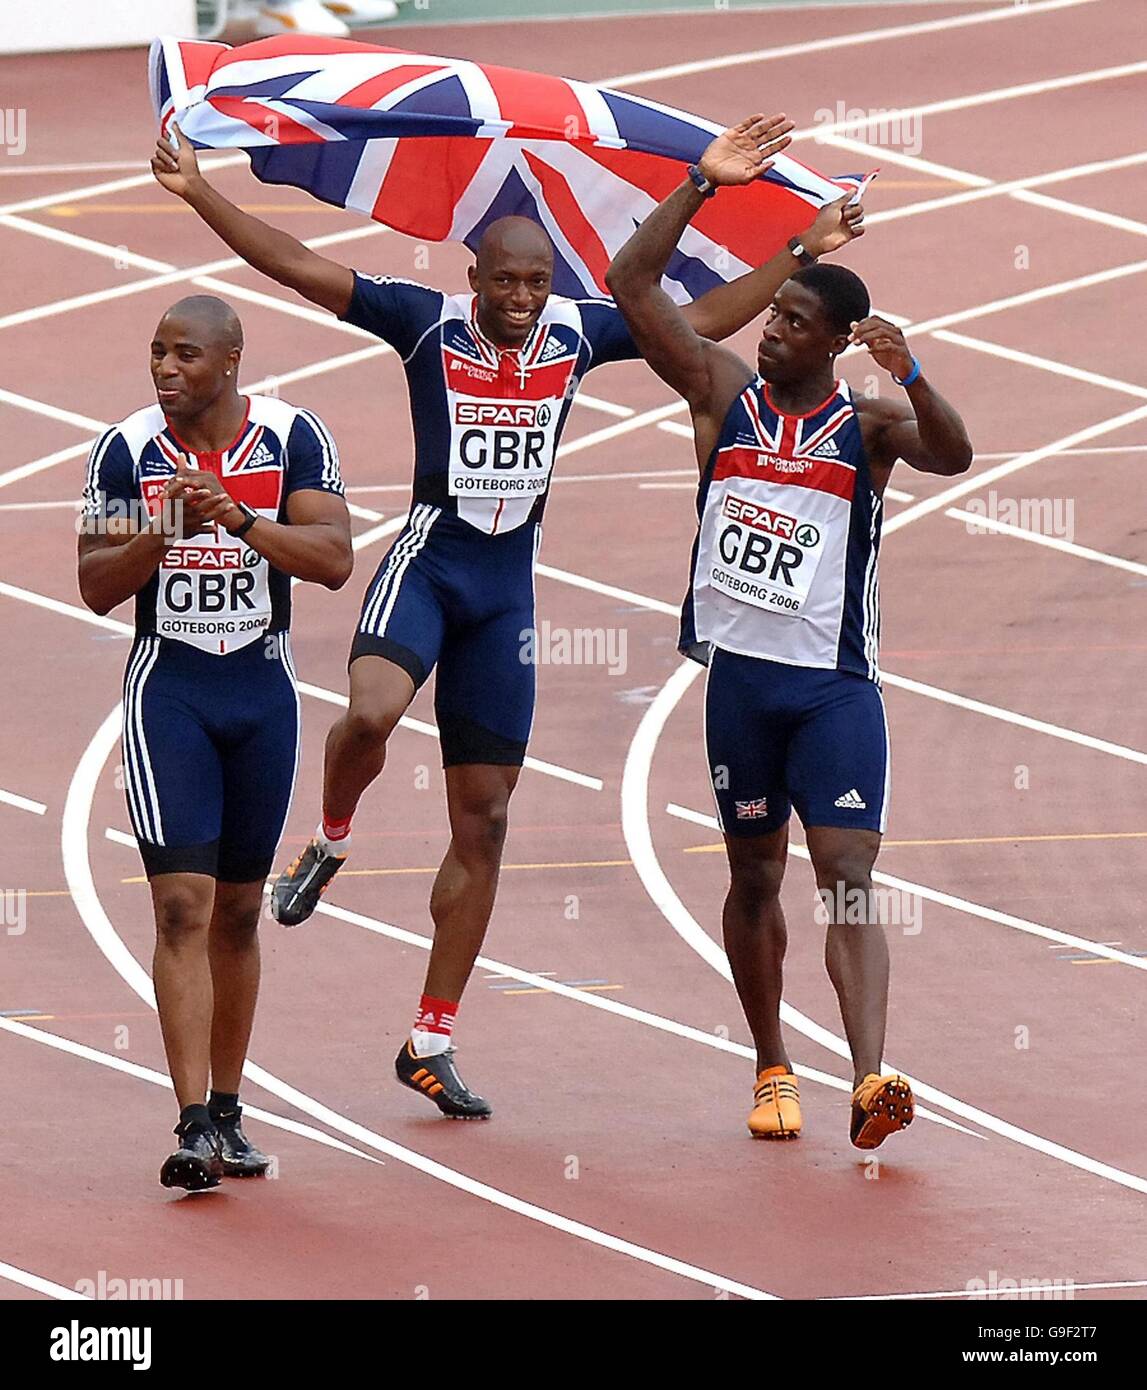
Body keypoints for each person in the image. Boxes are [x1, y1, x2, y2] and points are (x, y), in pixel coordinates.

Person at [150, 115, 863, 1120]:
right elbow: (302, 268)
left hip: (505, 593)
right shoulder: (422, 321)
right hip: (430, 563)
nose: (522, 300)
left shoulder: (577, 330)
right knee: (368, 714)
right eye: (504, 283)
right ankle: (333, 833)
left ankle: (430, 1039)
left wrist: (800, 247)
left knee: (482, 819)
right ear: (474, 279)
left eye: (535, 283)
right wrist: (199, 193)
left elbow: (696, 321)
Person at [605, 116, 973, 1149]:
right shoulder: (719, 394)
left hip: (831, 686)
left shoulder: (867, 424)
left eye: (794, 320)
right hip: (740, 687)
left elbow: (954, 455)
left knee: (847, 868)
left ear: (833, 341)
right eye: (773, 315)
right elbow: (634, 287)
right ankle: (771, 1063)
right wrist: (699, 186)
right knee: (754, 875)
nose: (770, 329)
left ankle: (868, 1077)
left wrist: (913, 375)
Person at [77, 295, 352, 1190]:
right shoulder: (124, 449)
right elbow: (93, 586)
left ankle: (229, 1116)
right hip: (172, 692)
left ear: (230, 361)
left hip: (261, 691)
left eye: (184, 355)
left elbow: (333, 559)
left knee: (238, 910)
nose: (165, 370)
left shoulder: (291, 435)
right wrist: (164, 533)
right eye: (156, 353)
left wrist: (237, 520)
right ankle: (191, 1122)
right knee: (182, 907)